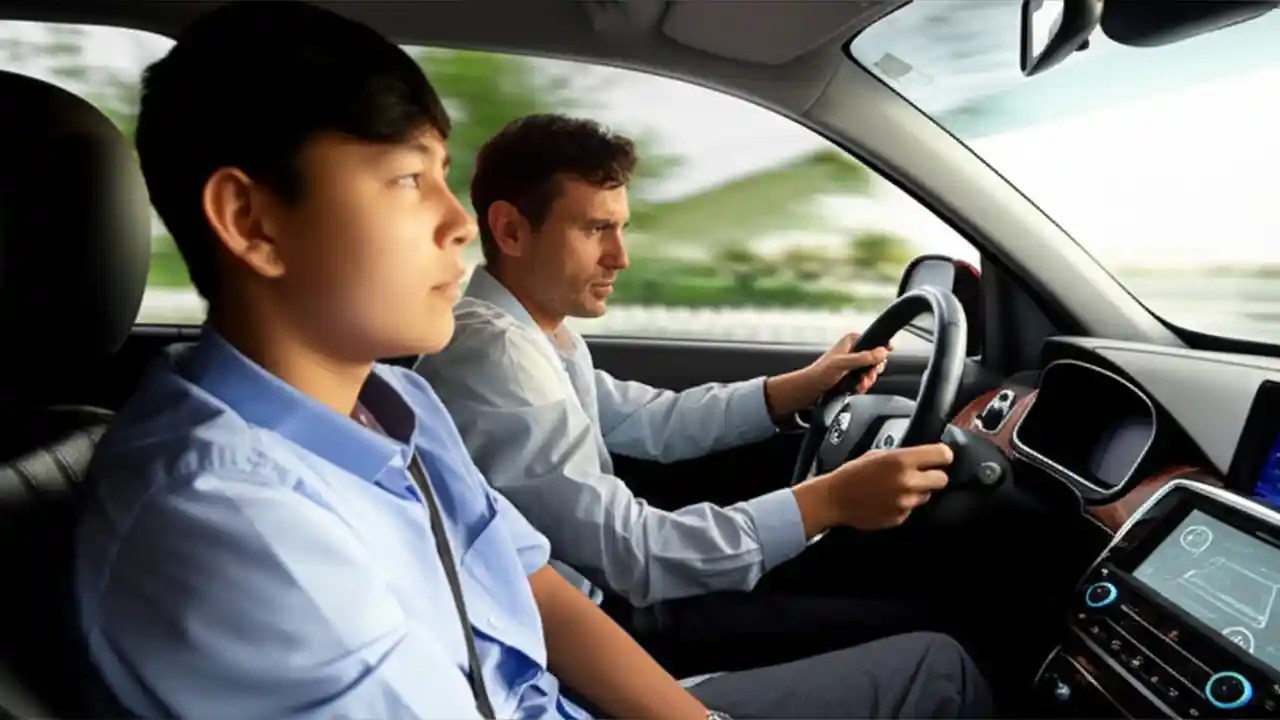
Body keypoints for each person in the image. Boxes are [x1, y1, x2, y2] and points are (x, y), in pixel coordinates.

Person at [73, 2, 993, 719]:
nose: (457, 222)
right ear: (252, 222)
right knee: (941, 669)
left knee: (933, 664)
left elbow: (539, 588)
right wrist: (826, 501)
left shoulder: (393, 403)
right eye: (406, 181)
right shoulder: (231, 523)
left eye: (443, 174)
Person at [413, 114, 983, 676]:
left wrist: (794, 390)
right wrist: (828, 502)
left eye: (622, 229)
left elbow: (650, 420)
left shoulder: (538, 334)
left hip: (603, 606)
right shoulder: (494, 353)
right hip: (583, 636)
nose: (620, 257)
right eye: (593, 230)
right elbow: (632, 552)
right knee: (938, 644)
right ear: (511, 231)